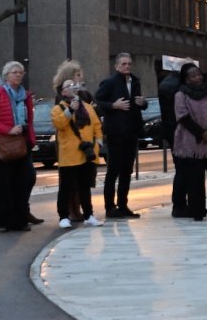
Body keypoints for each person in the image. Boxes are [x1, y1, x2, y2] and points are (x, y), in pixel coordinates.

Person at [0, 60, 40, 233]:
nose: (18, 75)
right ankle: (1, 221)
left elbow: (29, 120)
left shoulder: (25, 95)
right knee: (2, 184)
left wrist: (31, 139)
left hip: (21, 142)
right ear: (6, 75)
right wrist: (8, 129)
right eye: (14, 72)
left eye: (20, 72)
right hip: (2, 144)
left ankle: (19, 220)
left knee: (22, 181)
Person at [94, 52, 147, 219]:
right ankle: (110, 207)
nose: (127, 66)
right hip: (116, 132)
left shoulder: (135, 82)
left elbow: (139, 104)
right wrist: (113, 105)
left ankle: (123, 205)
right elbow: (97, 102)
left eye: (129, 64)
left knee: (127, 170)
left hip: (131, 131)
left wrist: (143, 103)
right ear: (116, 66)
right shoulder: (110, 82)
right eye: (123, 64)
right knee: (113, 170)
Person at [173, 64, 207, 221]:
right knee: (195, 180)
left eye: (199, 74)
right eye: (193, 76)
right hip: (192, 142)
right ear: (186, 79)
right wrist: (201, 133)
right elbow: (182, 116)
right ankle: (197, 212)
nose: (198, 77)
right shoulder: (180, 95)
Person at [51, 73, 103, 228]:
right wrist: (70, 111)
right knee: (66, 187)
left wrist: (98, 143)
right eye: (69, 86)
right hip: (69, 155)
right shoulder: (58, 109)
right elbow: (59, 124)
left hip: (86, 153)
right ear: (63, 92)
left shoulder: (87, 107)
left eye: (74, 85)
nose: (73, 88)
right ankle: (63, 217)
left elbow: (96, 125)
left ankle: (89, 215)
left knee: (84, 187)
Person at [158, 65, 189, 217]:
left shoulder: (168, 83)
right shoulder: (177, 85)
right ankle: (180, 205)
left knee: (183, 169)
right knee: (184, 169)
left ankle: (181, 204)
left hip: (173, 131)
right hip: (178, 131)